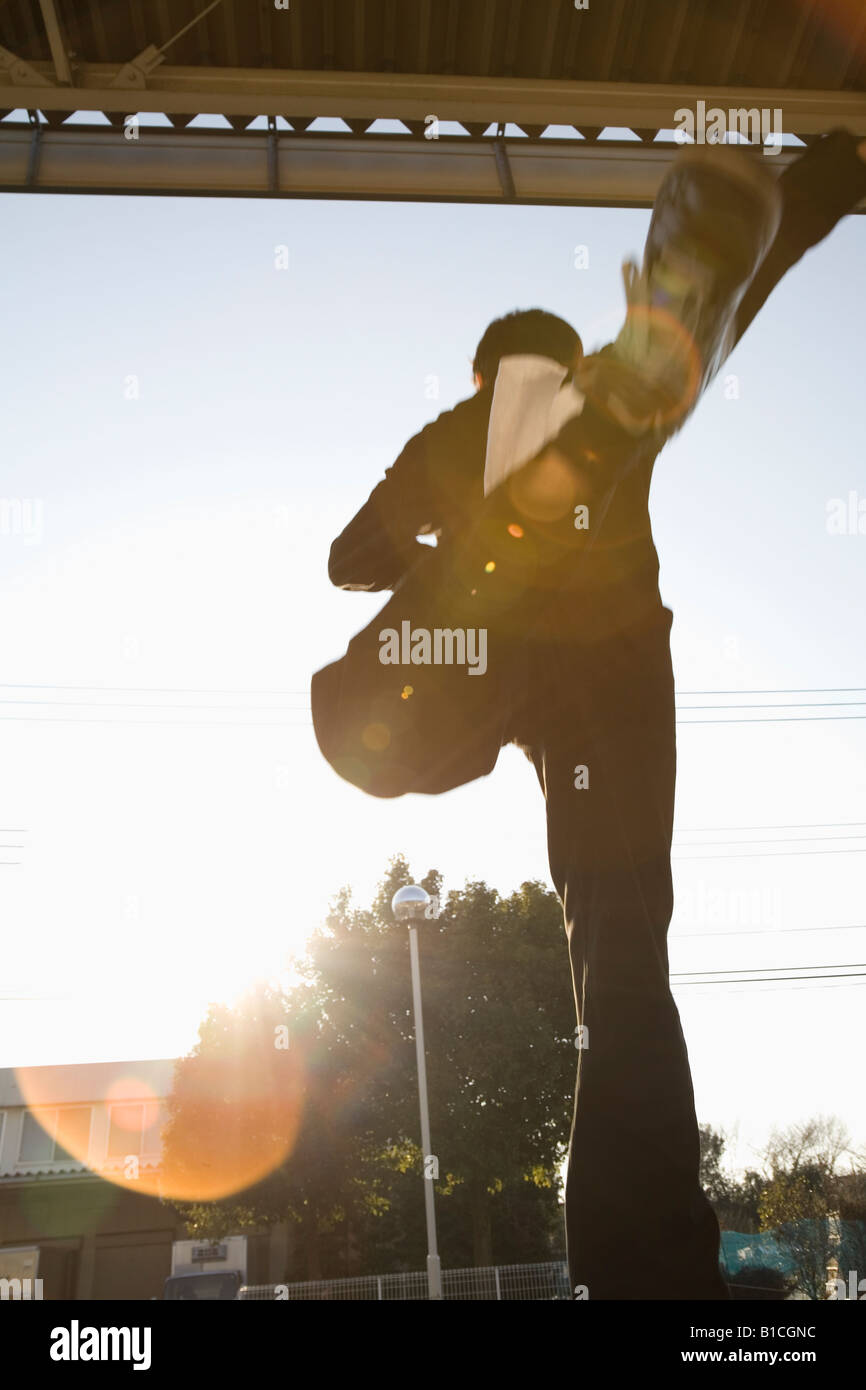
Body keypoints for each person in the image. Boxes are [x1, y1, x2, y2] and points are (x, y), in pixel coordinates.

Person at [319, 131, 866, 1299]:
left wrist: (431, 531)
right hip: (612, 679)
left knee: (391, 679)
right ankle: (648, 1266)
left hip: (489, 662)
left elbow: (343, 558)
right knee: (619, 948)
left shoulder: (446, 435)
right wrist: (821, 182)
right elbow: (737, 287)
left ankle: (472, 587)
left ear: (479, 377)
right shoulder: (616, 374)